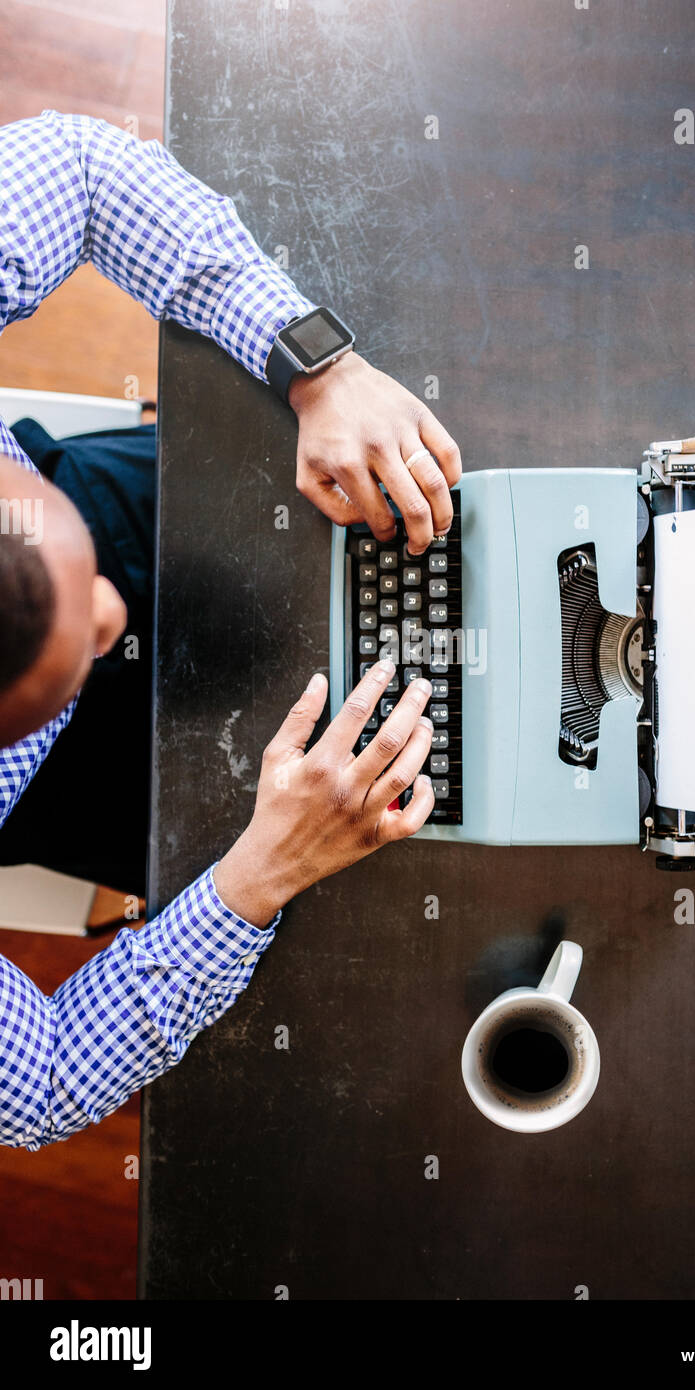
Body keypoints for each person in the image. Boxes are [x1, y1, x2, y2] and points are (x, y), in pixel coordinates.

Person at [0, 110, 462, 1150]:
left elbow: (74, 171)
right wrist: (262, 871)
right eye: (71, 648)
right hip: (120, 786)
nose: (108, 613)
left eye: (84, 589)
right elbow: (47, 1081)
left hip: (135, 505)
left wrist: (318, 368)